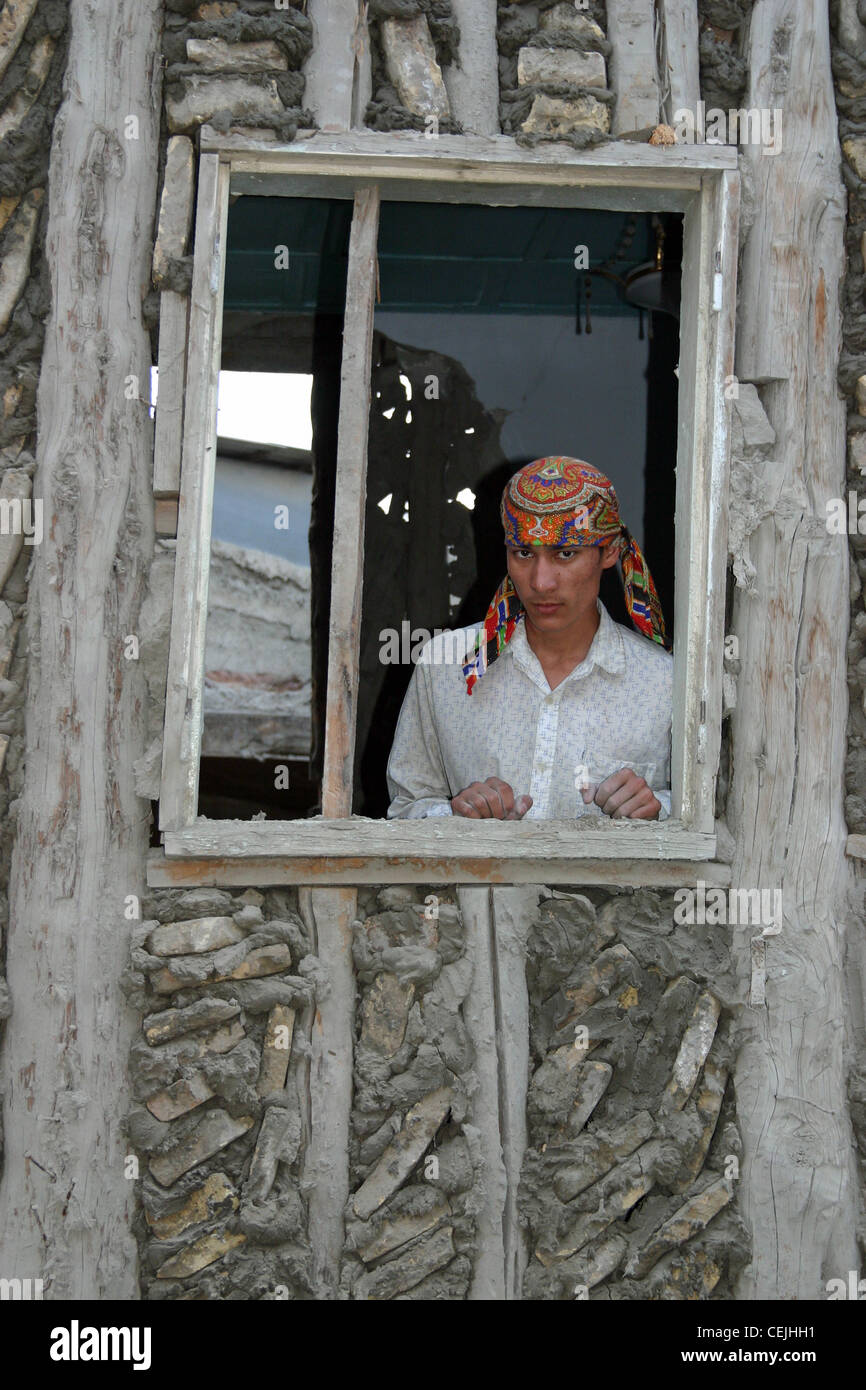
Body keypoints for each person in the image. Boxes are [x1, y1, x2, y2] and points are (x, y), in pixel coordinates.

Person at [386, 456, 673, 821]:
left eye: (565, 553)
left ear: (610, 551)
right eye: (523, 553)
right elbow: (406, 807)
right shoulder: (443, 664)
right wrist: (455, 818)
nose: (540, 583)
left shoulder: (663, 682)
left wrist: (658, 810)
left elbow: (702, 811)